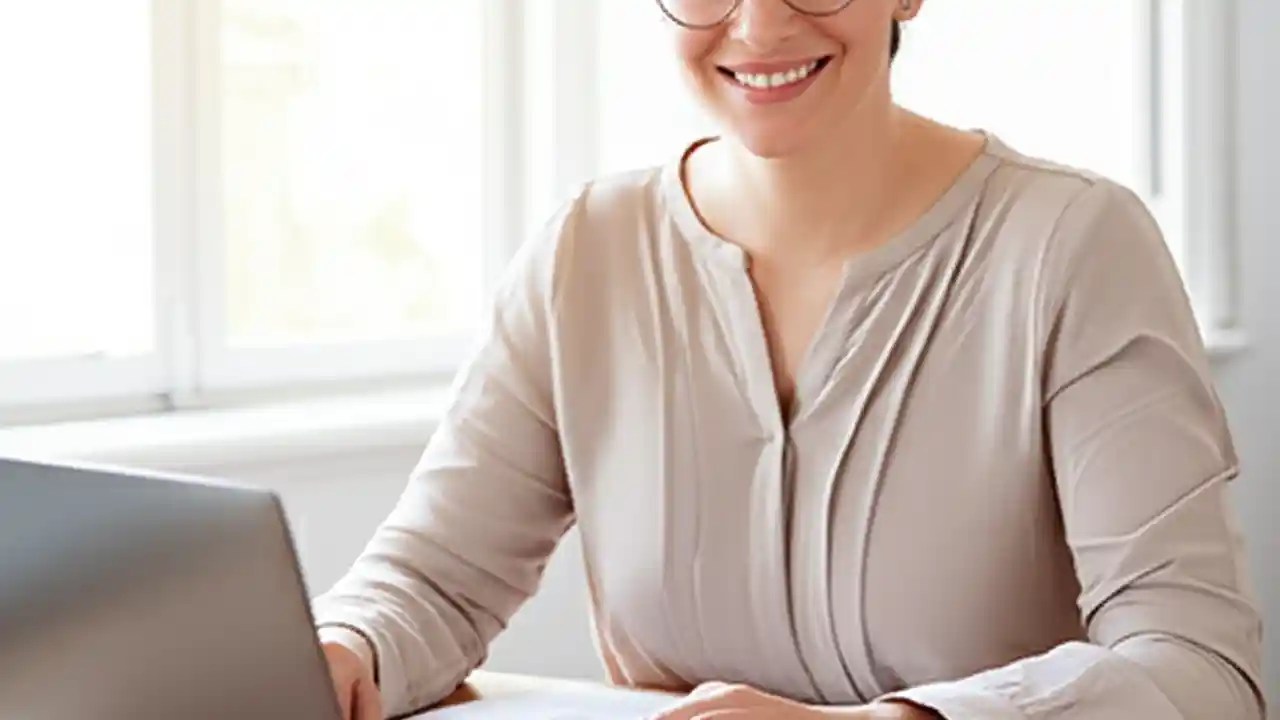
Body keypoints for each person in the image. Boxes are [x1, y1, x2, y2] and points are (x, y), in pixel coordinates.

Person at [313, 0, 1265, 718]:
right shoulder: (587, 250)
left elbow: (1198, 669)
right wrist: (341, 649)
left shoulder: (1071, 245)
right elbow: (433, 580)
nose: (760, 25)